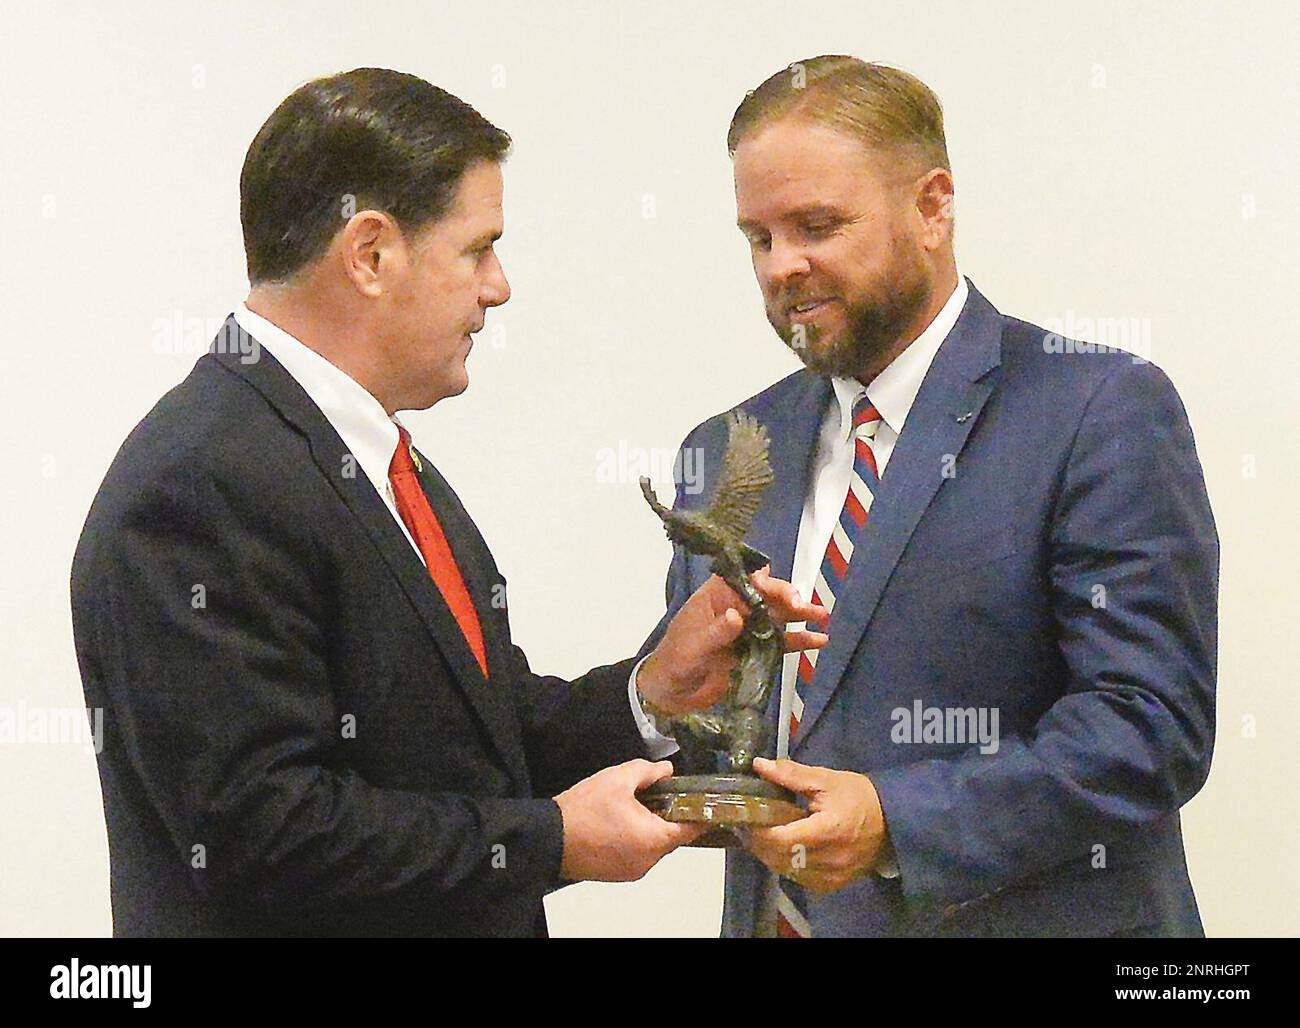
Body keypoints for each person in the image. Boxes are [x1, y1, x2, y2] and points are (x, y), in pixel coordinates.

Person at [69, 67, 825, 938]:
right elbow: (258, 830)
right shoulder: (200, 481)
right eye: (478, 248)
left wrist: (651, 693)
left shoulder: (383, 463)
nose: (497, 286)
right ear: (371, 253)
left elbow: (478, 742)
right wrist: (552, 842)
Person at [641, 56, 1218, 937]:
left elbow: (1149, 726)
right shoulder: (723, 451)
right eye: (758, 238)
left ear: (933, 206)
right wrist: (659, 698)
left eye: (817, 226)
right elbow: (711, 729)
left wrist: (897, 825)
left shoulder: (1096, 409)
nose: (783, 266)